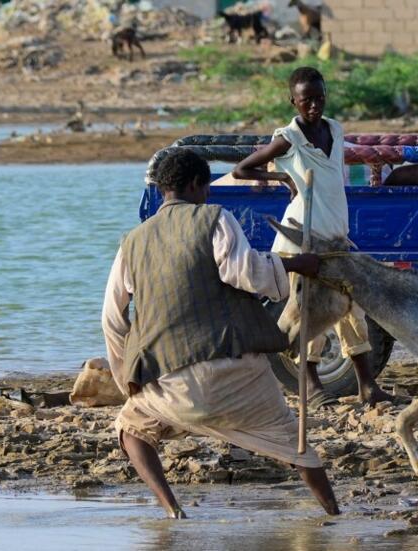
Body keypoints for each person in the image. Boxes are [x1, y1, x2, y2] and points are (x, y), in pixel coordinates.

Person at [101, 149, 339, 518]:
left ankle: (172, 510)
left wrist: (129, 380)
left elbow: (112, 319)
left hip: (172, 387)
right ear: (196, 185)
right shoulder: (215, 218)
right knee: (295, 444)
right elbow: (246, 273)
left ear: (162, 189)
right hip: (237, 381)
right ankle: (333, 514)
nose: (208, 195)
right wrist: (295, 265)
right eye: (206, 188)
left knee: (131, 428)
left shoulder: (131, 243)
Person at [233, 66, 396, 408]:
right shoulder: (288, 138)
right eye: (306, 100)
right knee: (312, 311)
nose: (313, 106)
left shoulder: (334, 129)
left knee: (351, 310)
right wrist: (283, 179)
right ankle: (311, 387)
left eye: (319, 98)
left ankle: (368, 386)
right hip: (305, 238)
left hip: (335, 237)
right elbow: (241, 169)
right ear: (292, 101)